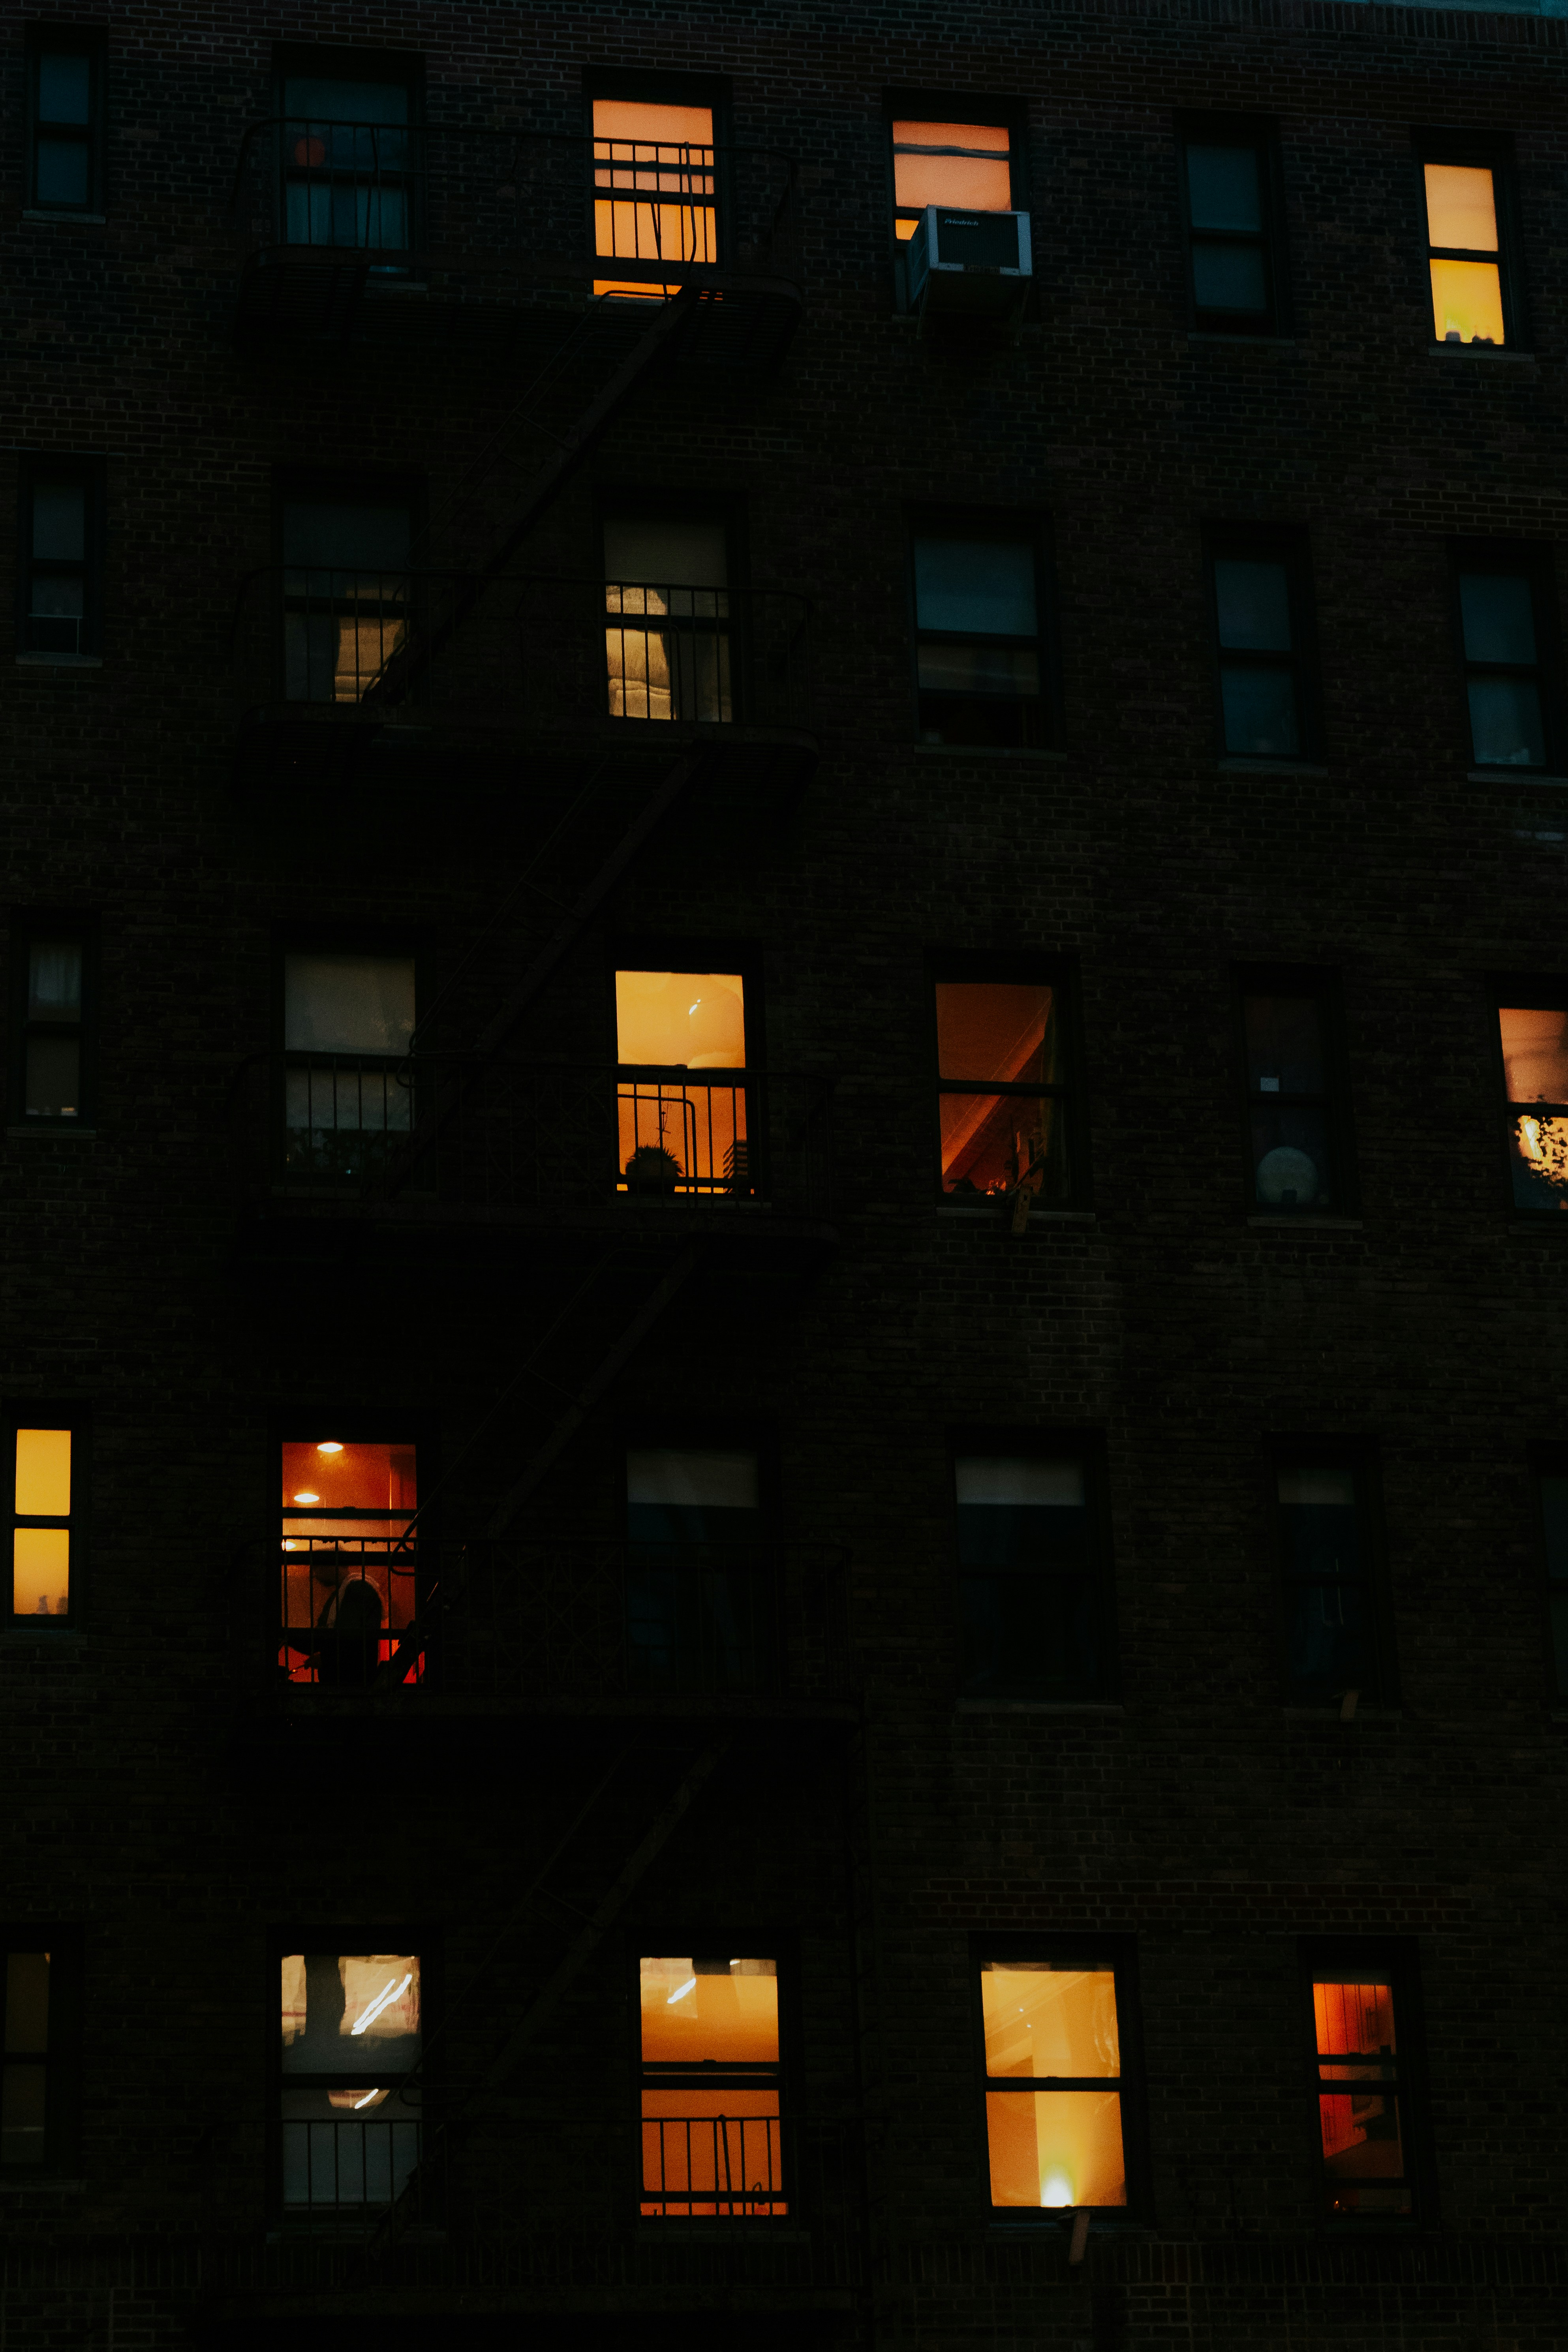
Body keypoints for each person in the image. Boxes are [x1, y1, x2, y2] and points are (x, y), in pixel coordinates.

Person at [310, 1551, 384, 1687]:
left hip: (350, 1681)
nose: (315, 1575)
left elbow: (350, 1637)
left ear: (332, 1566)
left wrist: (326, 1658)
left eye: (317, 1568)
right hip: (350, 1679)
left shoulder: (357, 1588)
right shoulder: (348, 1591)